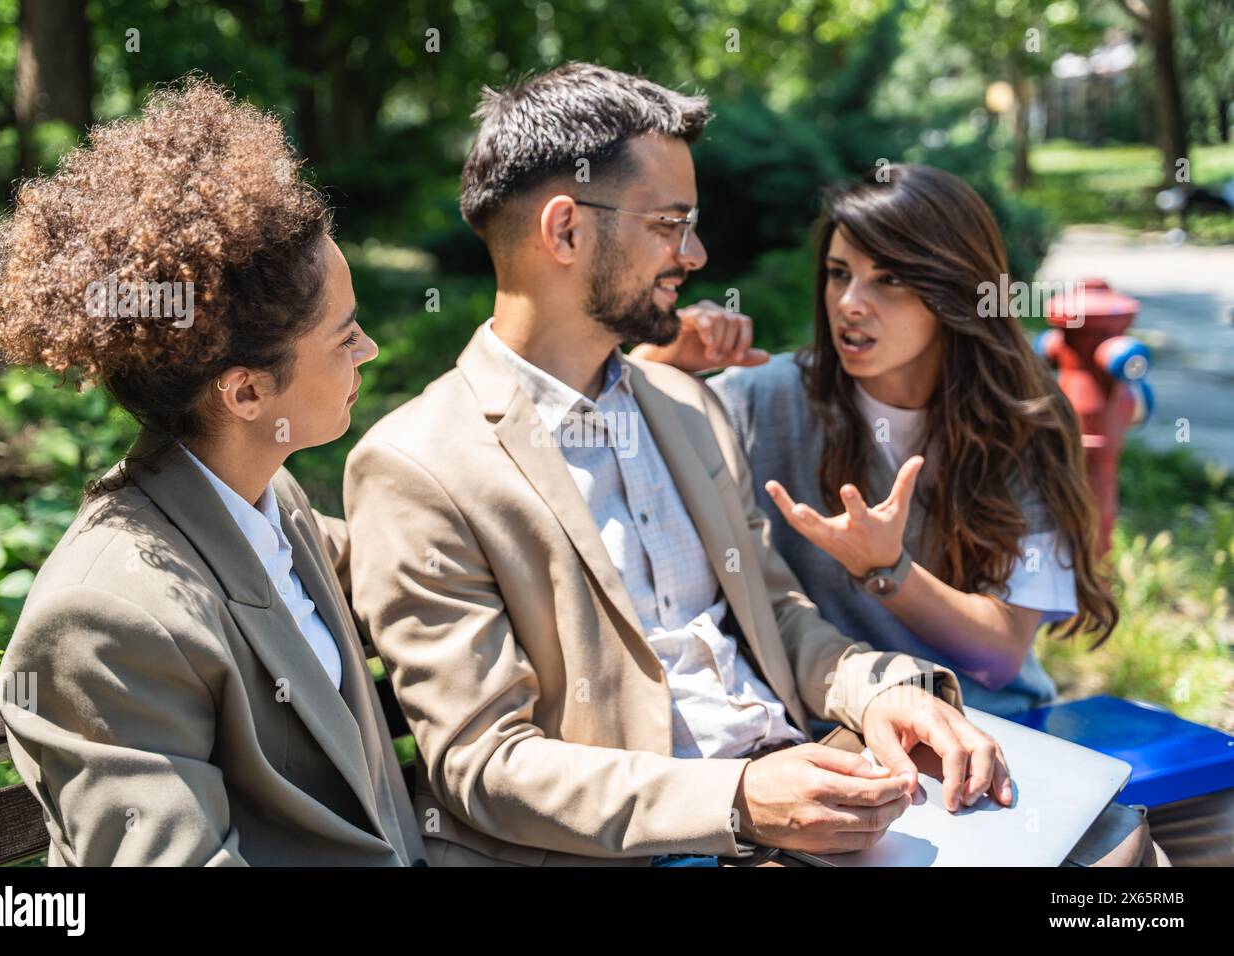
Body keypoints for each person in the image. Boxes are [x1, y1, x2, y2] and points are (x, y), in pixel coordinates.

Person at [343, 63, 1013, 868]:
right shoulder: (416, 466)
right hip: (658, 846)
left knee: (1118, 855)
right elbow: (486, 766)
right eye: (670, 224)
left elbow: (778, 615)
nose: (694, 255)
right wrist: (738, 802)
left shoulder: (689, 408)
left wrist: (883, 691)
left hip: (807, 795)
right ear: (565, 232)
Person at [0, 77, 425, 866]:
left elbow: (407, 564)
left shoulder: (263, 498)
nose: (370, 350)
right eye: (346, 338)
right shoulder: (104, 621)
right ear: (244, 391)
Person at [635, 164, 1117, 717]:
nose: (849, 303)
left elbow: (1000, 657)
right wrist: (659, 357)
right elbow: (619, 449)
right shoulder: (758, 400)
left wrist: (888, 569)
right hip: (829, 735)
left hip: (998, 726)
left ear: (953, 290)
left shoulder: (1023, 420)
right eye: (839, 274)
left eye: (888, 278)